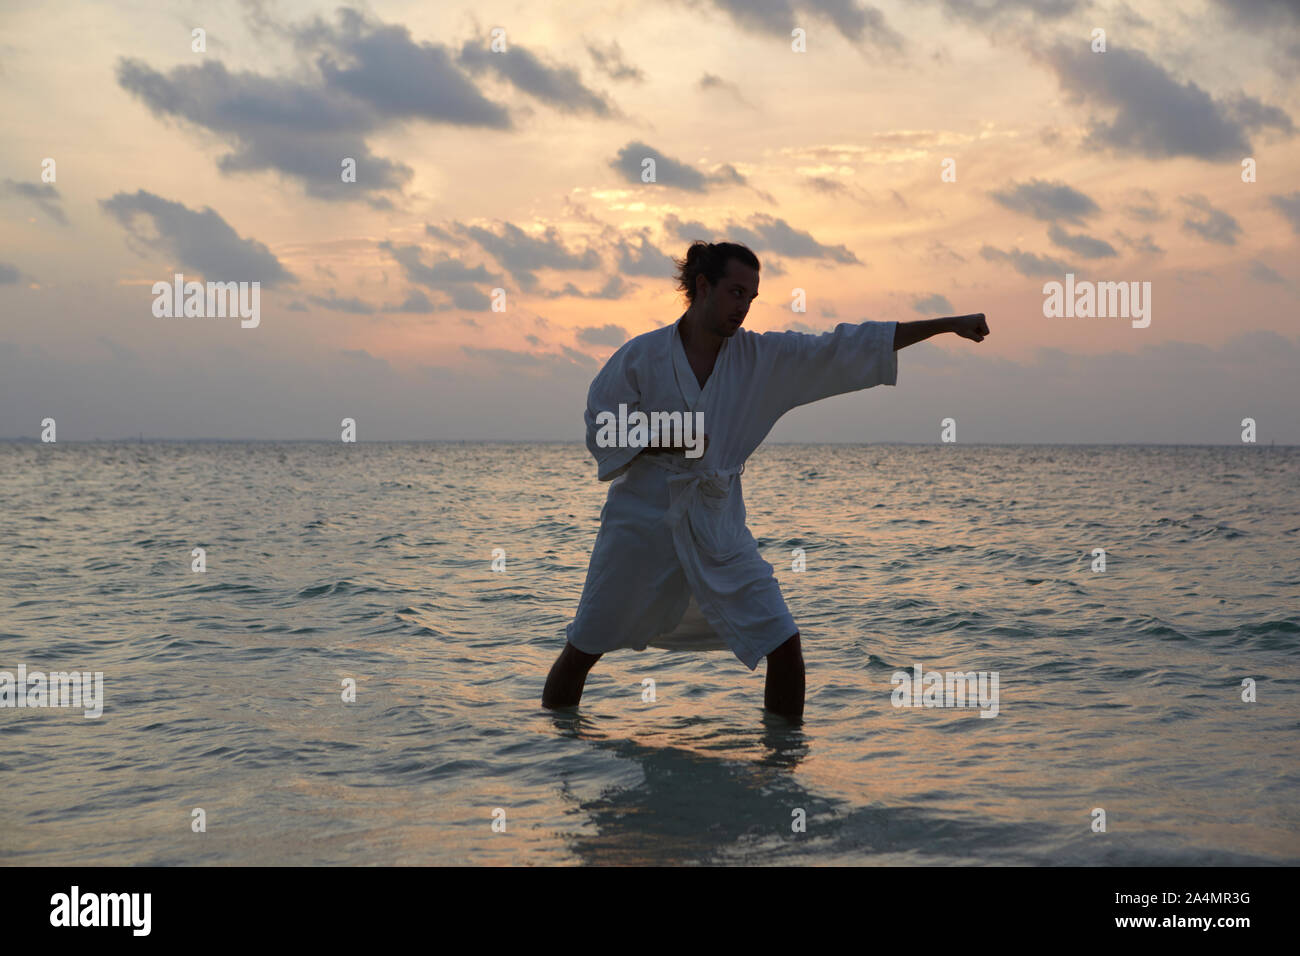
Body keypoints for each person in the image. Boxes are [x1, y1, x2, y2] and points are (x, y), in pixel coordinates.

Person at [543, 240, 989, 720]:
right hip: (641, 520)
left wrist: (945, 325)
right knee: (586, 644)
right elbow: (600, 427)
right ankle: (556, 749)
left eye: (751, 298)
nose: (744, 308)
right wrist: (666, 437)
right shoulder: (641, 356)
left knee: (783, 641)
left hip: (718, 523)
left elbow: (840, 346)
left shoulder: (760, 358)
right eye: (736, 293)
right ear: (702, 286)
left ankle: (781, 766)